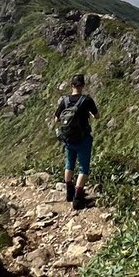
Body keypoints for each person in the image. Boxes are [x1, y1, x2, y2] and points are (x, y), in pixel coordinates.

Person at [54, 73, 99, 209]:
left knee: (69, 164)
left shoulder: (65, 101)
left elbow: (56, 119)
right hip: (83, 139)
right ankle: (78, 199)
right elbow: (97, 116)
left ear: (72, 85)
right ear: (83, 85)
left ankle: (69, 193)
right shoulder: (86, 100)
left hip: (69, 139)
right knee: (83, 168)